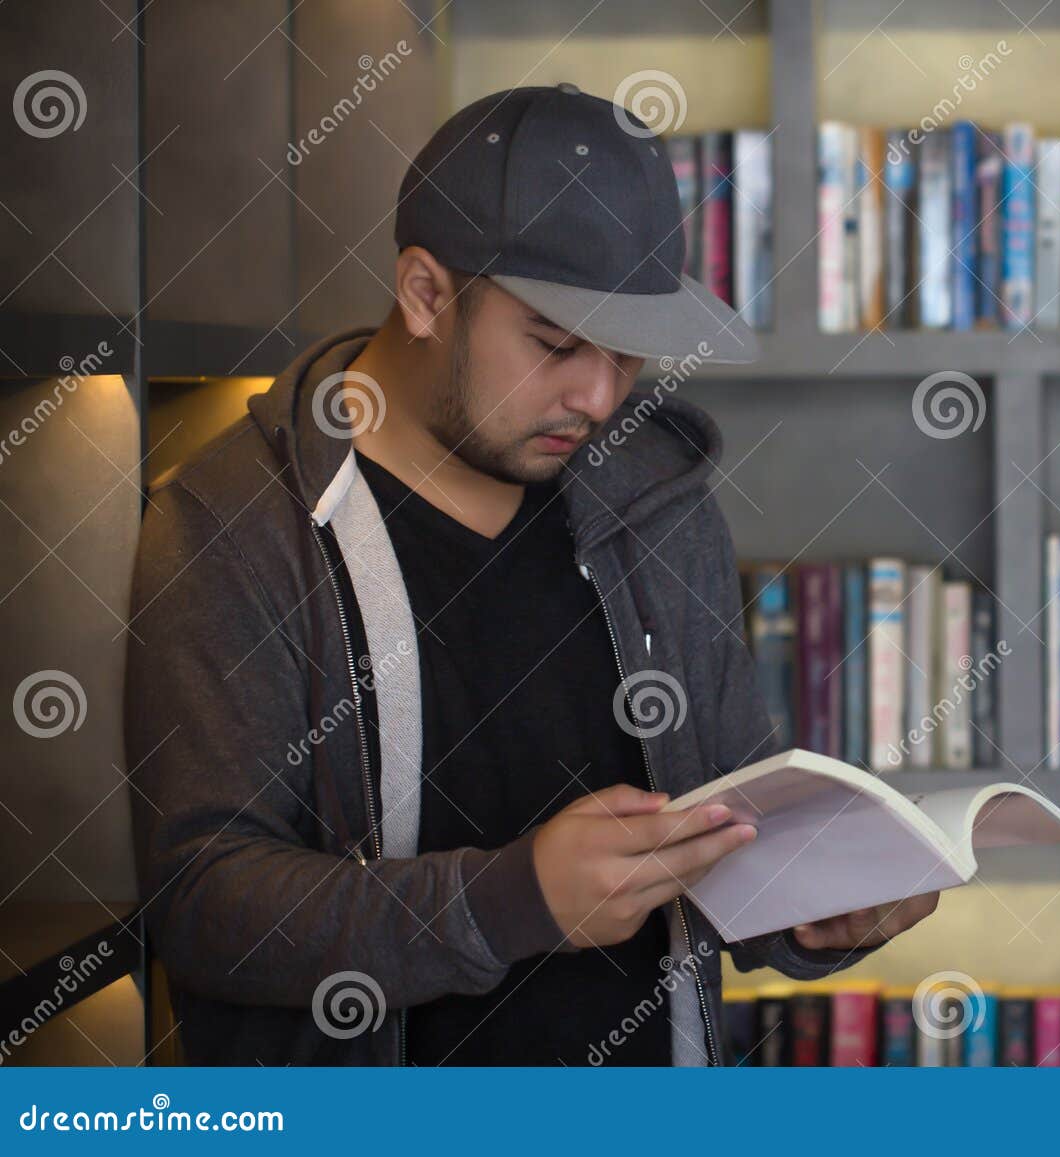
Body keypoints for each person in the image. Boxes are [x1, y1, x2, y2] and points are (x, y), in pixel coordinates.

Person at [124, 84, 937, 1066]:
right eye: (553, 344)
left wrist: (816, 907)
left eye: (629, 355)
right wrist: (511, 900)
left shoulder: (660, 504)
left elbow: (721, 830)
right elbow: (206, 909)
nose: (597, 395)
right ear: (425, 293)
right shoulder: (233, 526)